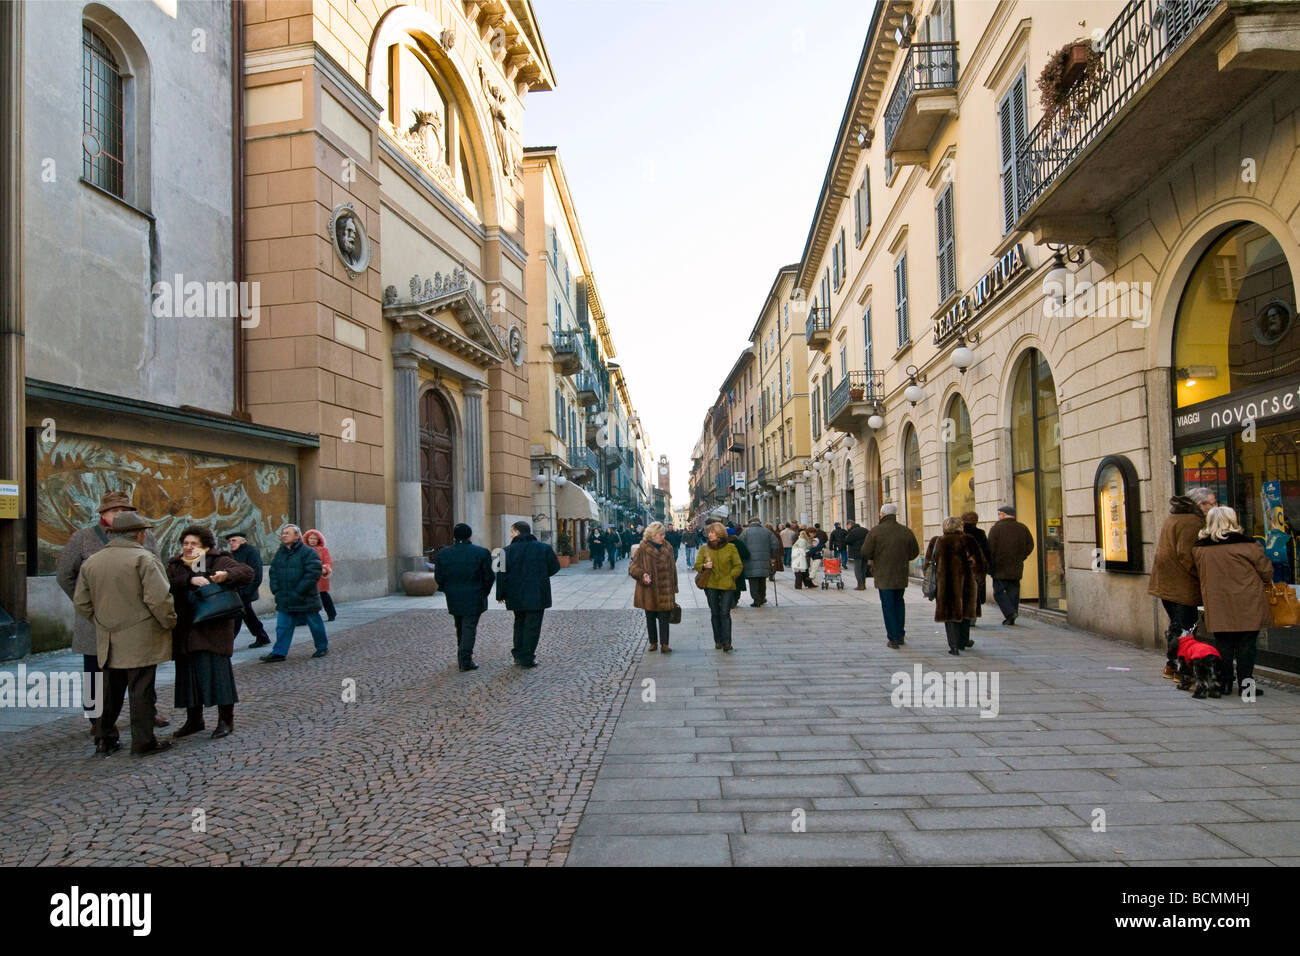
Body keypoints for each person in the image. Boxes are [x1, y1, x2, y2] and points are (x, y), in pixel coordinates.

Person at [56, 490, 168, 747]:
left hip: (135, 617)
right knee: (96, 671)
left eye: (124, 511)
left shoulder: (145, 535)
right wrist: (89, 605)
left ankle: (148, 712)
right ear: (103, 514)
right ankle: (98, 720)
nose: (120, 515)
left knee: (140, 670)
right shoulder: (83, 538)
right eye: (114, 511)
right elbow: (65, 575)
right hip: (96, 619)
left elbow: (156, 571)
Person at [167, 525, 253, 739]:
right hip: (185, 630)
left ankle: (226, 720)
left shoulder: (217, 559)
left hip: (212, 630)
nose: (188, 547)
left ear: (205, 545)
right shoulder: (176, 565)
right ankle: (194, 720)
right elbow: (164, 583)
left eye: (193, 543)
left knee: (217, 675)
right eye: (185, 543)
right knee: (189, 678)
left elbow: (247, 572)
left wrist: (227, 575)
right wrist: (188, 580)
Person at [1191, 506, 1273, 698]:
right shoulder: (1249, 545)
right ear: (1233, 521)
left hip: (1218, 601)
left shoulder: (1200, 549)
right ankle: (1246, 687)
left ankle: (1225, 684)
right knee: (1247, 646)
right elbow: (1266, 572)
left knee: (1224, 644)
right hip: (1248, 601)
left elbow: (1197, 573)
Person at [1149, 492, 1210, 679]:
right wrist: (1202, 576)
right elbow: (1187, 555)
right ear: (1200, 504)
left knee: (1177, 626)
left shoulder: (1174, 517)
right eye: (1210, 503)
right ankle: (1180, 668)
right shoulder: (1192, 522)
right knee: (1185, 629)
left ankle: (1172, 665)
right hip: (1182, 585)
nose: (1212, 507)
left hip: (1167, 582)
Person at [496, 520, 560, 667]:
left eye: (512, 532)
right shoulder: (543, 548)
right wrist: (541, 576)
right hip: (537, 593)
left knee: (519, 622)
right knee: (533, 626)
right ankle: (527, 657)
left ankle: (518, 653)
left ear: (518, 532)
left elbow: (501, 574)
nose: (511, 535)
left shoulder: (506, 551)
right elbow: (555, 567)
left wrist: (501, 594)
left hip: (515, 593)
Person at [261, 524, 328, 662]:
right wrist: (276, 590)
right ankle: (279, 652)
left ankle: (322, 647)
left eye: (287, 533)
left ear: (297, 536)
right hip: (284, 597)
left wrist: (298, 591)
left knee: (314, 624)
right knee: (282, 626)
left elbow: (313, 573)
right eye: (283, 533)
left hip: (305, 597)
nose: (284, 535)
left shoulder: (308, 552)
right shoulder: (280, 552)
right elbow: (273, 572)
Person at [433, 523, 495, 671]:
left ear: (454, 536)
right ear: (469, 536)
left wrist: (447, 589)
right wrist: (483, 592)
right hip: (474, 594)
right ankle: (465, 659)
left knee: (460, 625)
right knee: (468, 627)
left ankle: (463, 654)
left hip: (454, 595)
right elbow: (489, 576)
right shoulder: (481, 552)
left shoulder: (443, 554)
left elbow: (438, 577)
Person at [861, 503, 920, 648]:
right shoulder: (905, 531)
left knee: (888, 606)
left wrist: (876, 557)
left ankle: (893, 637)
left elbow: (865, 552)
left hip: (883, 575)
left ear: (882, 514)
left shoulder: (876, 531)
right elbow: (914, 552)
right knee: (899, 603)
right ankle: (900, 634)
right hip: (900, 574)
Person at [928, 516, 986, 654]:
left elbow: (928, 563)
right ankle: (962, 642)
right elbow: (978, 562)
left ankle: (953, 646)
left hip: (945, 585)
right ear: (960, 526)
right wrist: (979, 579)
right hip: (967, 584)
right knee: (966, 613)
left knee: (950, 616)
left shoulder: (937, 541)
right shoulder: (968, 540)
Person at [629, 522, 679, 652]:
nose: (663, 537)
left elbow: (673, 569)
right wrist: (642, 574)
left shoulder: (668, 548)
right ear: (652, 536)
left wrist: (674, 587)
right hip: (649, 589)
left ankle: (664, 644)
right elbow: (633, 568)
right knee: (650, 616)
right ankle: (653, 642)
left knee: (664, 617)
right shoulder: (642, 549)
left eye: (663, 534)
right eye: (660, 534)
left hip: (665, 588)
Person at [695, 522, 742, 651]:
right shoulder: (704, 549)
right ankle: (718, 640)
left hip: (727, 585)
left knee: (725, 613)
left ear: (720, 534)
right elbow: (697, 565)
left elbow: (738, 565)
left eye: (713, 532)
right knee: (715, 612)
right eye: (709, 532)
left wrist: (732, 576)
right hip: (711, 585)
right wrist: (704, 566)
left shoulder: (731, 548)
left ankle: (727, 642)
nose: (710, 534)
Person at [987, 505, 1035, 625]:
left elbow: (990, 549)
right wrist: (1021, 557)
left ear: (1003, 514)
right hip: (1016, 566)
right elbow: (1030, 545)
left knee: (998, 592)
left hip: (999, 567)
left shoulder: (996, 529)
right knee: (1013, 591)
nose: (998, 517)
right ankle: (1011, 616)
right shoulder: (1022, 528)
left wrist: (990, 563)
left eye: (999, 514)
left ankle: (1010, 613)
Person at [226, 532, 272, 649]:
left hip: (246, 591)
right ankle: (262, 636)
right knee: (247, 615)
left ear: (243, 540)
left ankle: (227, 643)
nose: (231, 543)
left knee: (237, 616)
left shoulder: (251, 551)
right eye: (229, 541)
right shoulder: (232, 554)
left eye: (233, 540)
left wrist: (247, 592)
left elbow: (256, 573)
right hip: (237, 592)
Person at [961, 511, 993, 627]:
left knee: (963, 592)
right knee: (975, 593)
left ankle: (964, 616)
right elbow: (986, 551)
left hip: (962, 568)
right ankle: (972, 617)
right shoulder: (980, 533)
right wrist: (987, 565)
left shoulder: (960, 533)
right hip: (977, 568)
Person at [739, 517, 780, 607]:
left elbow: (741, 545)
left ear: (750, 523)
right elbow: (775, 544)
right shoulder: (767, 532)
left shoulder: (745, 532)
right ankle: (762, 598)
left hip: (750, 561)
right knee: (762, 580)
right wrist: (773, 557)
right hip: (765, 560)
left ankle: (756, 599)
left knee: (753, 581)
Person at [302, 529, 336, 622]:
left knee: (323, 596)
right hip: (306, 578)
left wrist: (322, 569)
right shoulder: (303, 550)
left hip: (320, 578)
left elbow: (328, 562)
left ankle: (331, 614)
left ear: (319, 540)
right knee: (305, 598)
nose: (312, 540)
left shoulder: (324, 550)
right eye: (310, 538)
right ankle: (303, 619)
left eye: (315, 538)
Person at [845, 518, 869, 589]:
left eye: (847, 526)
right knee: (864, 569)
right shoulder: (865, 530)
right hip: (866, 552)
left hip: (857, 552)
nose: (847, 528)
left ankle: (860, 585)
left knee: (857, 569)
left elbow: (847, 541)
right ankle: (864, 584)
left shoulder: (853, 532)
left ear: (849, 525)